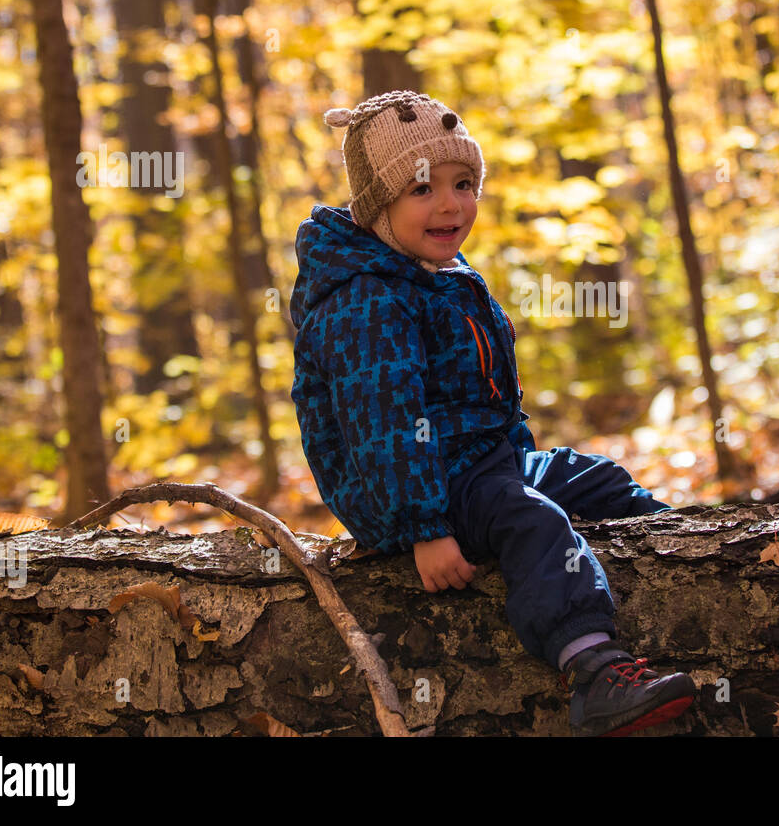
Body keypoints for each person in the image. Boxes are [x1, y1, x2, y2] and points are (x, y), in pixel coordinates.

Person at [289, 89, 696, 736]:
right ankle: (592, 668)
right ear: (377, 207)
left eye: (464, 183)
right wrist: (424, 527)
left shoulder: (438, 272)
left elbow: (489, 389)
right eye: (422, 190)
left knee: (599, 481)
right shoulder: (364, 299)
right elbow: (385, 426)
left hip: (479, 462)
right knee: (531, 521)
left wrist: (519, 454)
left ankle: (696, 550)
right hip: (420, 488)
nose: (451, 204)